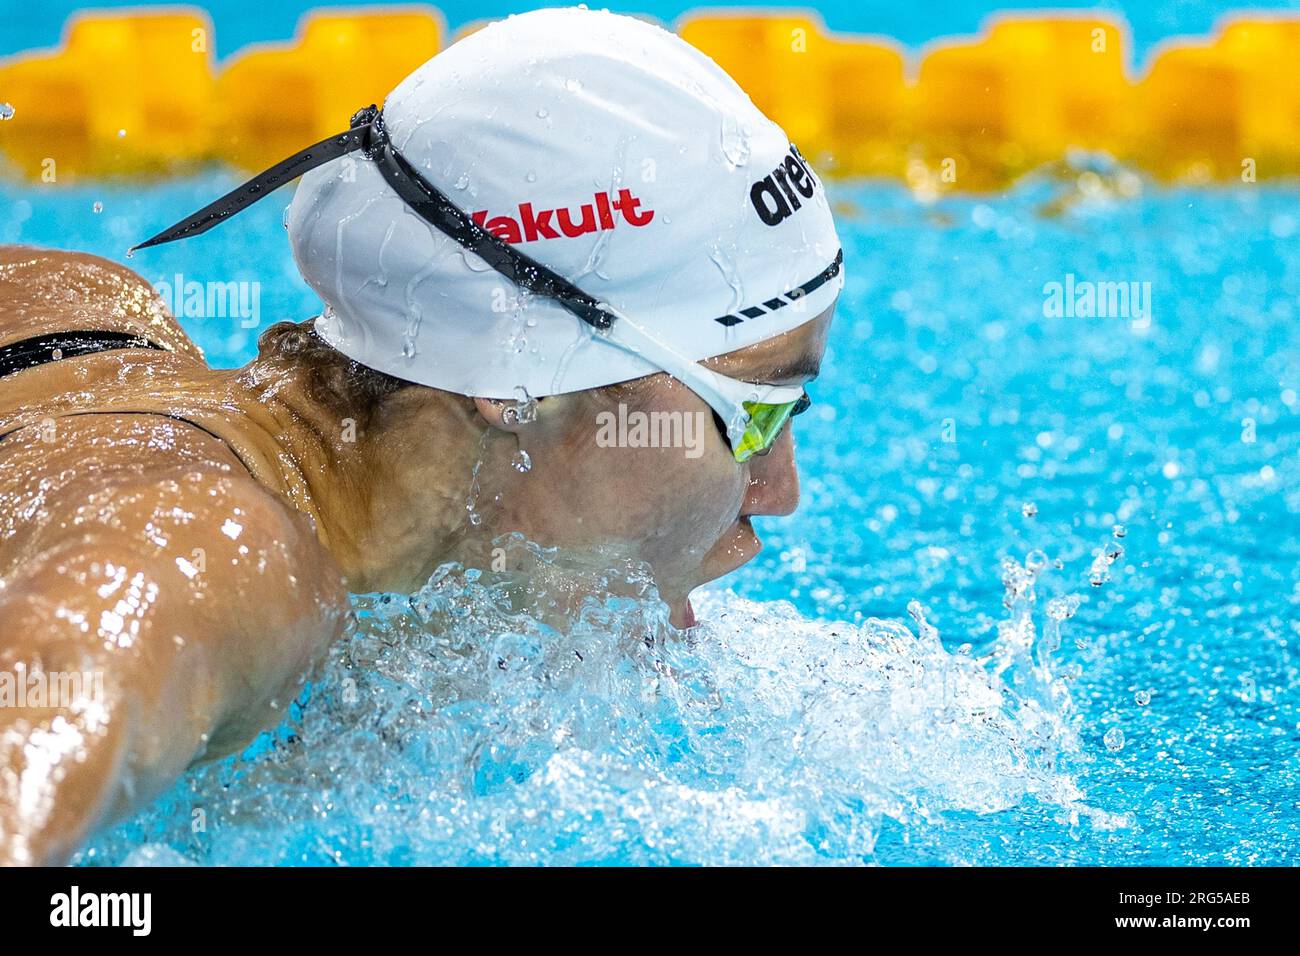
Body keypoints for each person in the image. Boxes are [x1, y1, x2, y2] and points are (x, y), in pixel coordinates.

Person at [0, 7, 842, 865]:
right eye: (754, 414)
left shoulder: (76, 316)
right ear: (514, 376)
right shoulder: (211, 558)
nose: (778, 493)